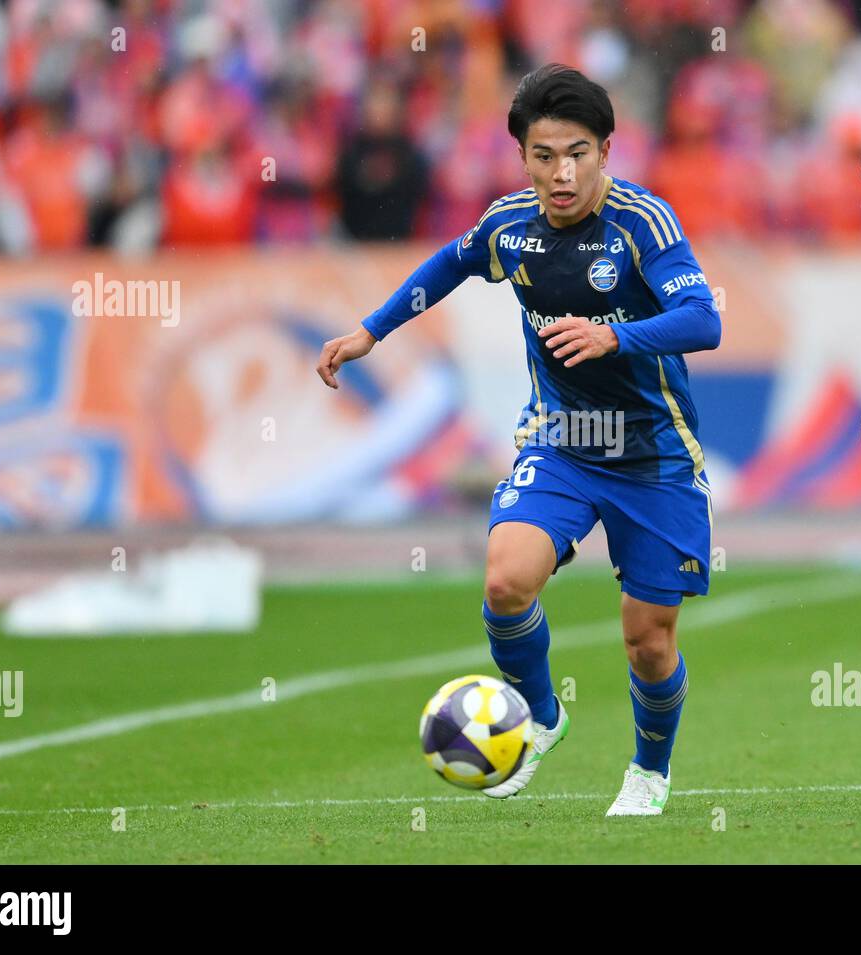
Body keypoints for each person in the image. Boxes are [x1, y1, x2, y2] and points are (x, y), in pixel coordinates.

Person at [316, 64, 719, 817]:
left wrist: (615, 336)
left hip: (653, 455)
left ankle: (649, 771)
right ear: (523, 157)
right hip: (562, 441)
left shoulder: (643, 224)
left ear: (605, 151)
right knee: (504, 582)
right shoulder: (511, 225)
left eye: (577, 154)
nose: (561, 174)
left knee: (648, 641)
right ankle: (542, 715)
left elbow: (705, 321)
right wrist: (371, 330)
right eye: (543, 156)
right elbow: (451, 263)